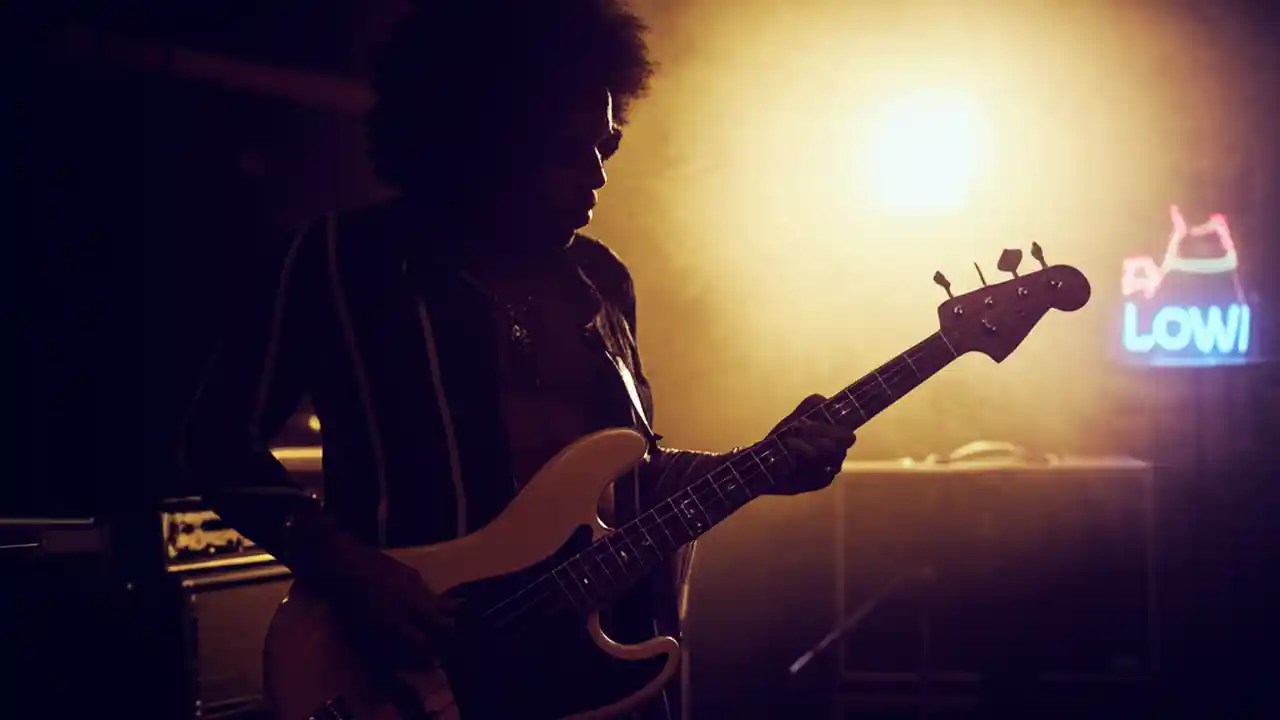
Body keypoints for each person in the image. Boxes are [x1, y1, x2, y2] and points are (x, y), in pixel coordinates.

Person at [180, 1, 855, 717]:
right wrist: (344, 565)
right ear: (481, 140)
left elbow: (631, 480)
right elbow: (213, 442)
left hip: (587, 681)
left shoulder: (602, 282)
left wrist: (764, 464)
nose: (597, 175)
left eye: (606, 147)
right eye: (566, 150)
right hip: (403, 677)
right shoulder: (342, 261)